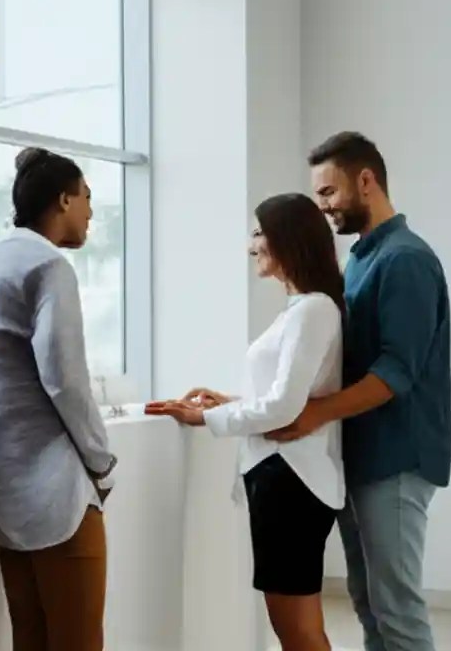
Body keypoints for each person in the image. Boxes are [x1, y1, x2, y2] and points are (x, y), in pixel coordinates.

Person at [267, 132, 451, 651]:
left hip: (396, 459)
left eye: (327, 193)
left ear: (365, 181)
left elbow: (396, 371)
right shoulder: (363, 260)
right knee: (370, 605)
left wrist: (312, 415)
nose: (322, 207)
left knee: (396, 610)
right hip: (363, 456)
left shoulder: (406, 260)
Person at [146, 193, 346, 651]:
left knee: (296, 628)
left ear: (287, 239)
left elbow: (284, 408)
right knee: (293, 626)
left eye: (258, 233)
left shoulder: (314, 309)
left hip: (292, 483)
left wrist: (207, 415)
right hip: (283, 480)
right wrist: (232, 400)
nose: (250, 245)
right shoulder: (302, 309)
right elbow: (285, 397)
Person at [0, 147, 116, 651]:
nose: (90, 212)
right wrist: (103, 461)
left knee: (30, 639)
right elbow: (65, 378)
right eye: (87, 199)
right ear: (63, 199)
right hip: (58, 494)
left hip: (4, 490)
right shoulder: (50, 266)